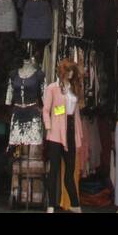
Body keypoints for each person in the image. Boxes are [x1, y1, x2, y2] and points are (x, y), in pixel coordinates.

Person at [42, 58, 85, 213]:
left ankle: (75, 204)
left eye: (72, 70)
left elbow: (77, 113)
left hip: (71, 131)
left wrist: (79, 133)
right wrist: (48, 127)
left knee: (70, 171)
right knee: (53, 170)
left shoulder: (74, 89)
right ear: (62, 71)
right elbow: (46, 110)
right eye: (68, 70)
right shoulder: (52, 88)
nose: (71, 73)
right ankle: (51, 204)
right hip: (56, 133)